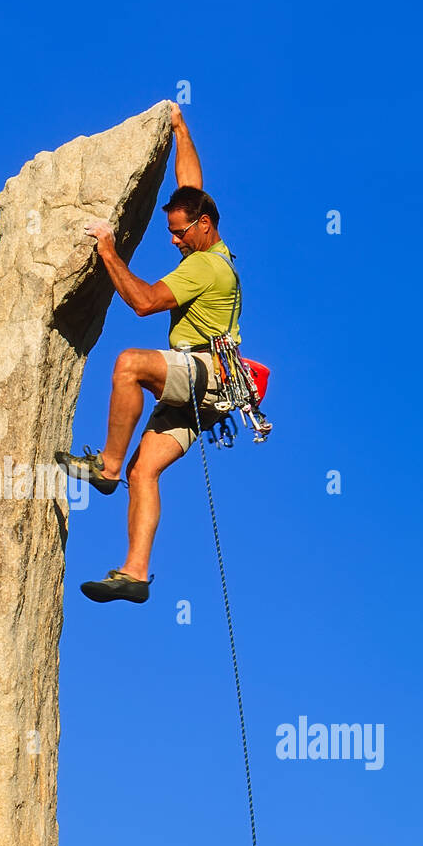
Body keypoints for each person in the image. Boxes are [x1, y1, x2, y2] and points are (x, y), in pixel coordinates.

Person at [55, 101, 242, 604]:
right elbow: (191, 184)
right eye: (172, 233)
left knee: (129, 364)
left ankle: (106, 469)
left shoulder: (204, 268)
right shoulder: (213, 245)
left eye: (181, 233)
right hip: (206, 393)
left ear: (204, 226)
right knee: (147, 471)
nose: (176, 241)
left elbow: (142, 303)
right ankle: (136, 574)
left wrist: (110, 253)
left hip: (206, 372)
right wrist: (181, 128)